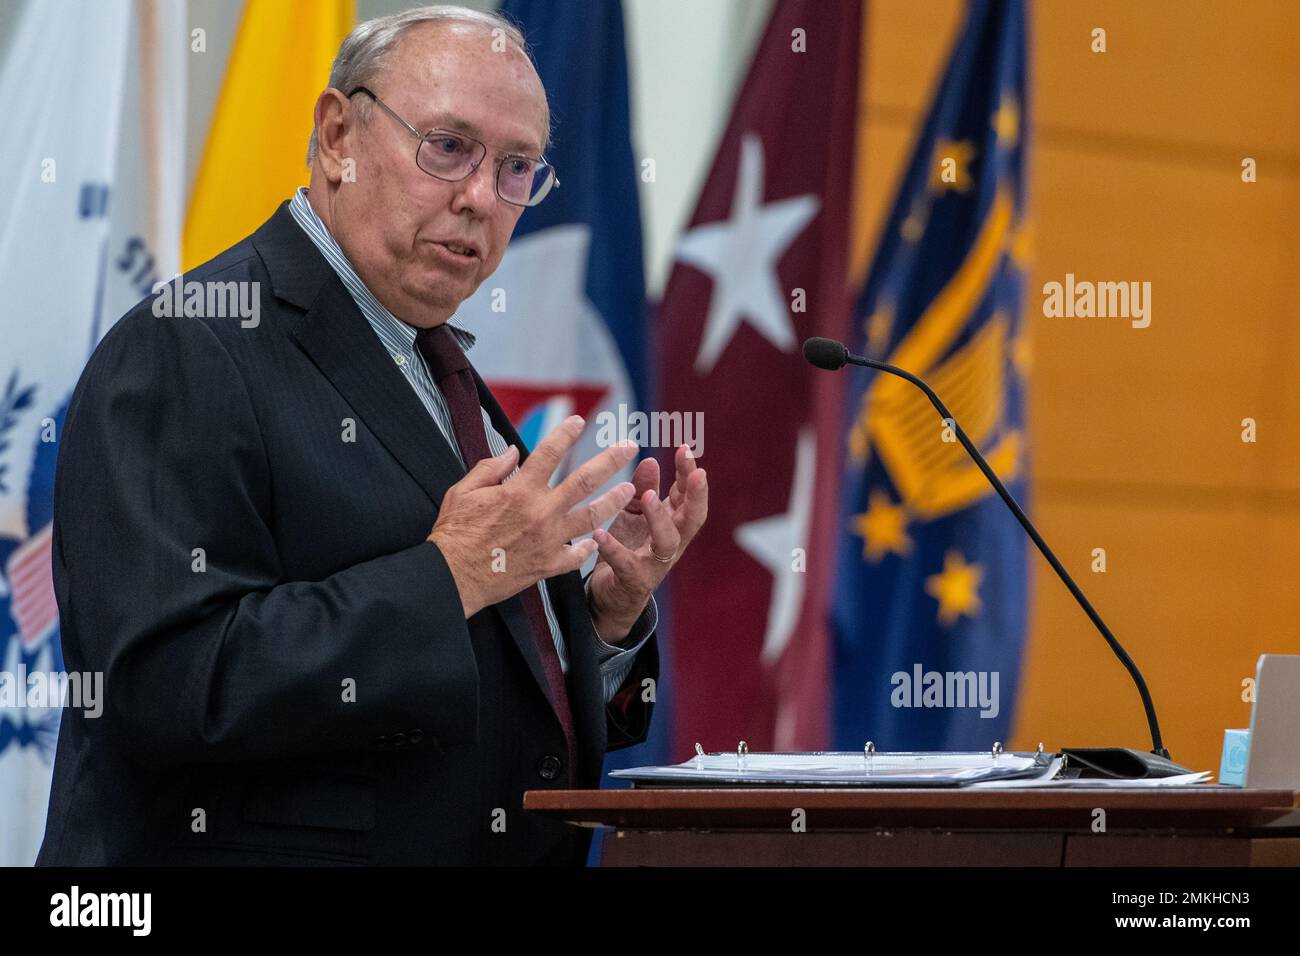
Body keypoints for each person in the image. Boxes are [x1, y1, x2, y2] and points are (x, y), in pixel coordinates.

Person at [36, 5, 707, 866]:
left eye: (516, 168)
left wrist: (601, 619)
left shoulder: (429, 358)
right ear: (337, 136)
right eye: (448, 147)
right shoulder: (188, 346)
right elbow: (165, 686)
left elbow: (488, 687)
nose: (479, 198)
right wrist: (450, 574)